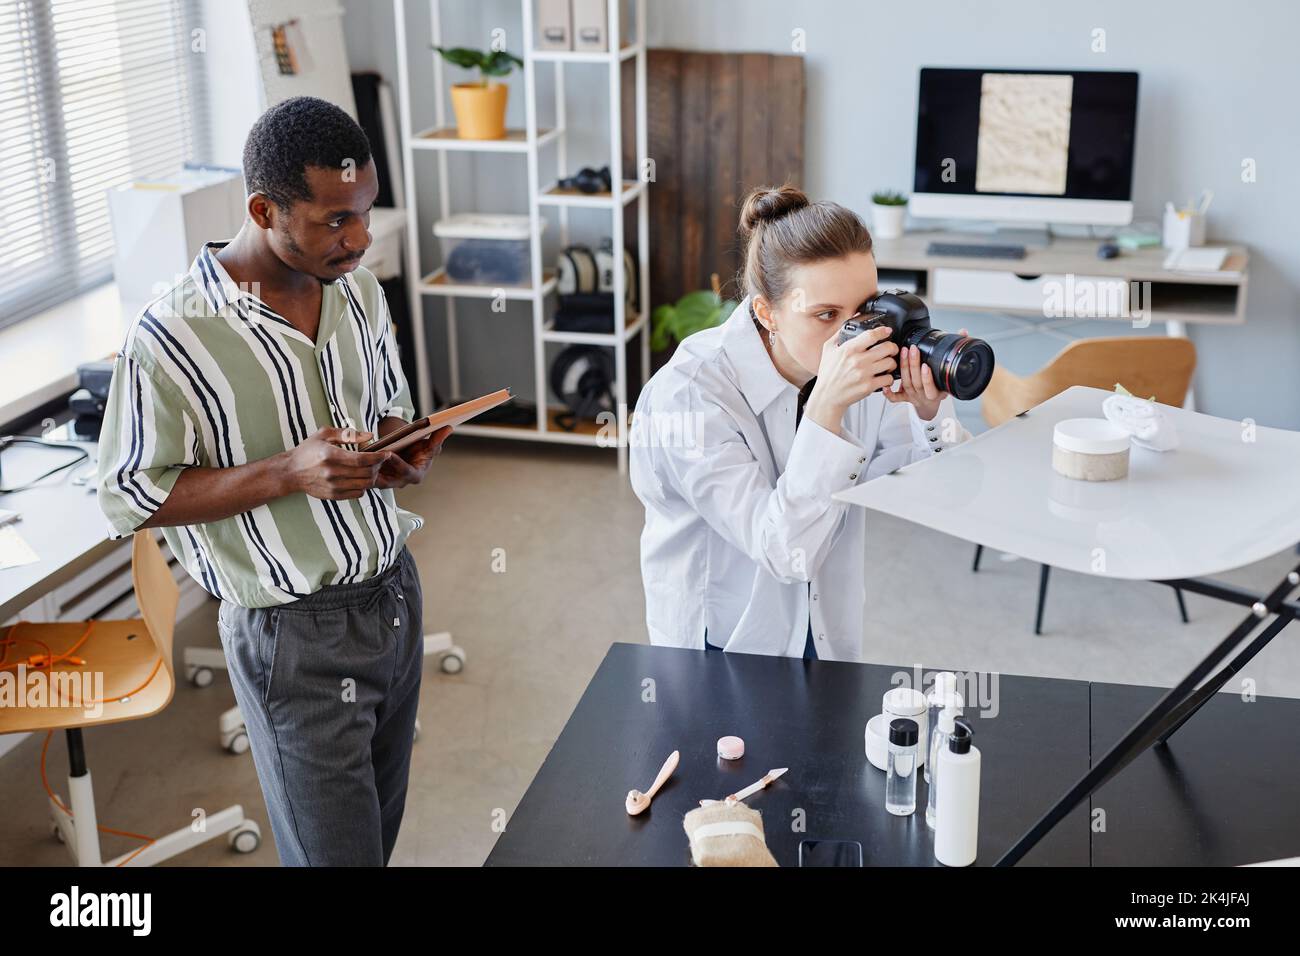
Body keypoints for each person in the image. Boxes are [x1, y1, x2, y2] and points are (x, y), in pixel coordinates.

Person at [97, 96, 448, 865]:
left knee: (374, 844)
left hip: (394, 598)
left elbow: (382, 408)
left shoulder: (358, 291)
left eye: (364, 212)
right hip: (295, 634)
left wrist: (400, 448)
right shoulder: (174, 333)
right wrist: (288, 471)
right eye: (333, 221)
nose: (357, 238)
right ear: (264, 208)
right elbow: (127, 493)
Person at [630, 184, 972, 662]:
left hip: (825, 625)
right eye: (825, 315)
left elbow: (941, 493)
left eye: (865, 309)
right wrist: (825, 411)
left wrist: (929, 413)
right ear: (767, 312)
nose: (855, 336)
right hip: (724, 639)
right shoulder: (688, 398)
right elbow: (781, 551)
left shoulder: (868, 365)